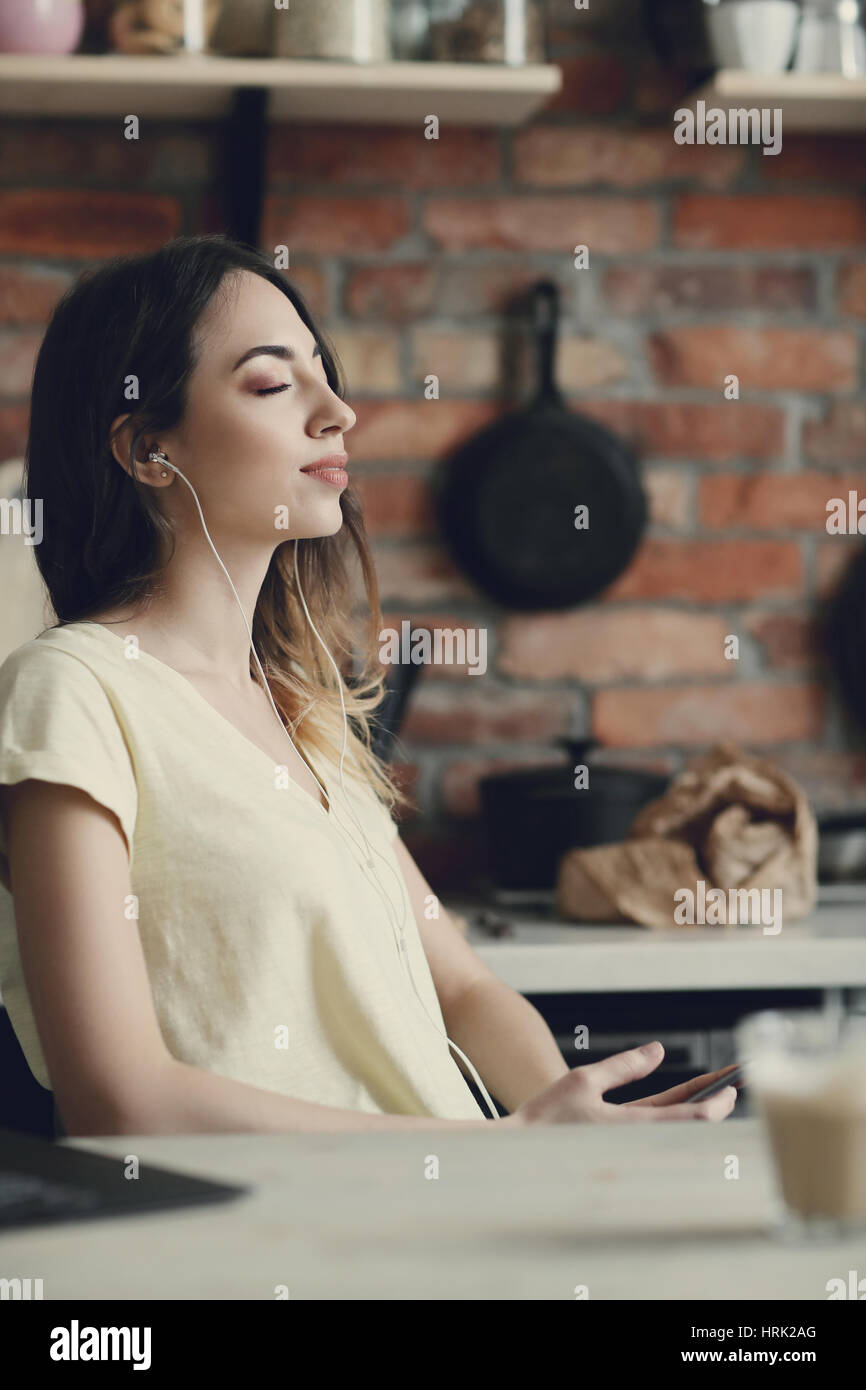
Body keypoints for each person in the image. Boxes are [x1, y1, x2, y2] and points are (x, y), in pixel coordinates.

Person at [0, 235, 738, 1137]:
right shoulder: (72, 691)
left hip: (433, 1215)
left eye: (326, 374)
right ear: (147, 448)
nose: (338, 412)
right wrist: (493, 1151)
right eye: (274, 385)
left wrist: (563, 1119)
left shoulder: (303, 707)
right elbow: (117, 1097)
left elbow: (462, 986)